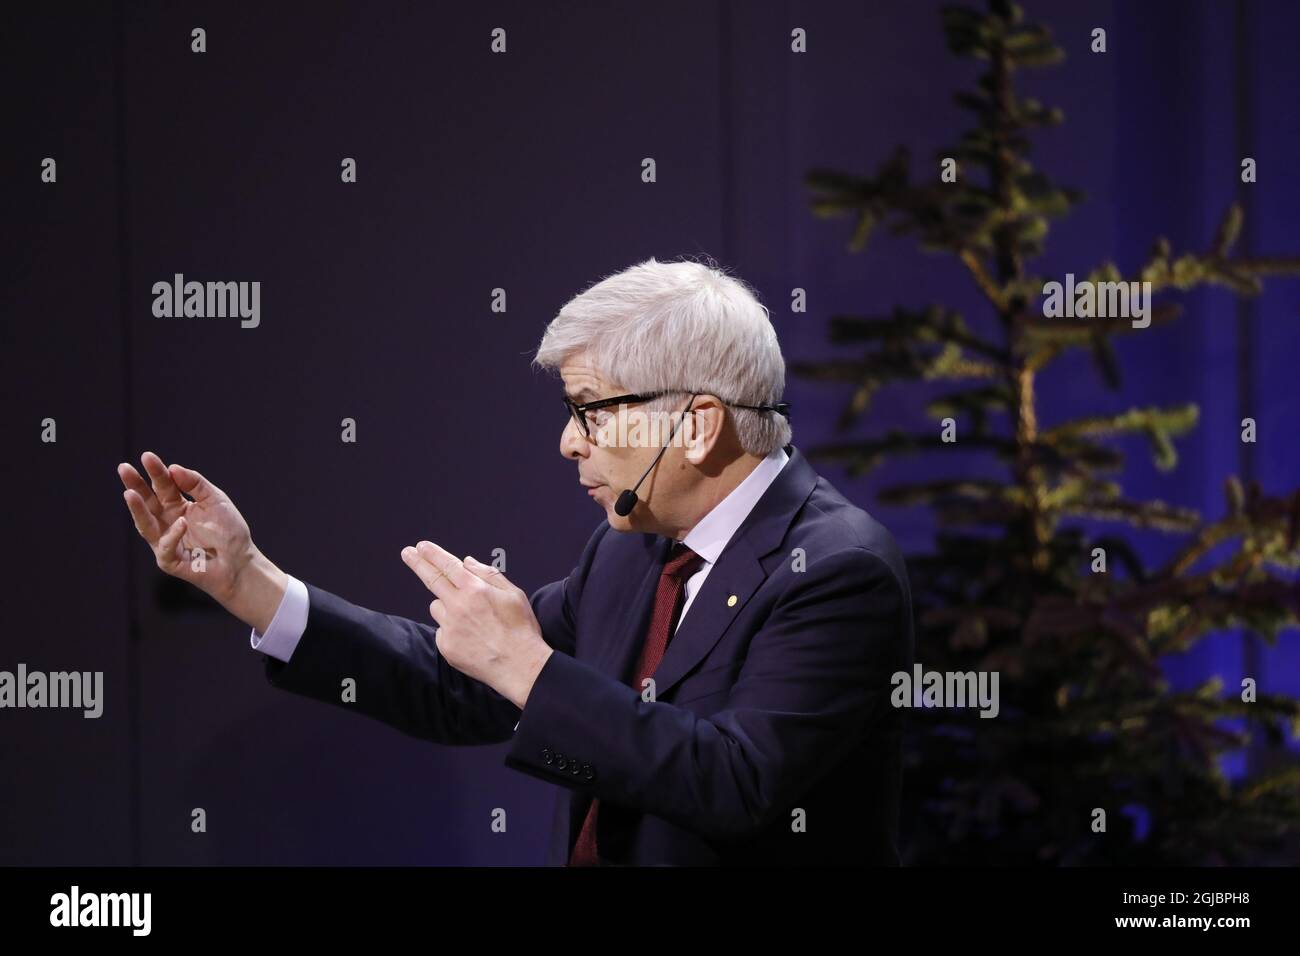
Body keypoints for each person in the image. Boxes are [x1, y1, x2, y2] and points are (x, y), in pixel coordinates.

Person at [119, 257, 913, 866]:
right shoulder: (628, 550)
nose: (569, 442)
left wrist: (531, 669)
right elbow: (457, 684)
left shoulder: (839, 570)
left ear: (699, 425)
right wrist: (251, 582)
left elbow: (736, 783)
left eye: (590, 412)